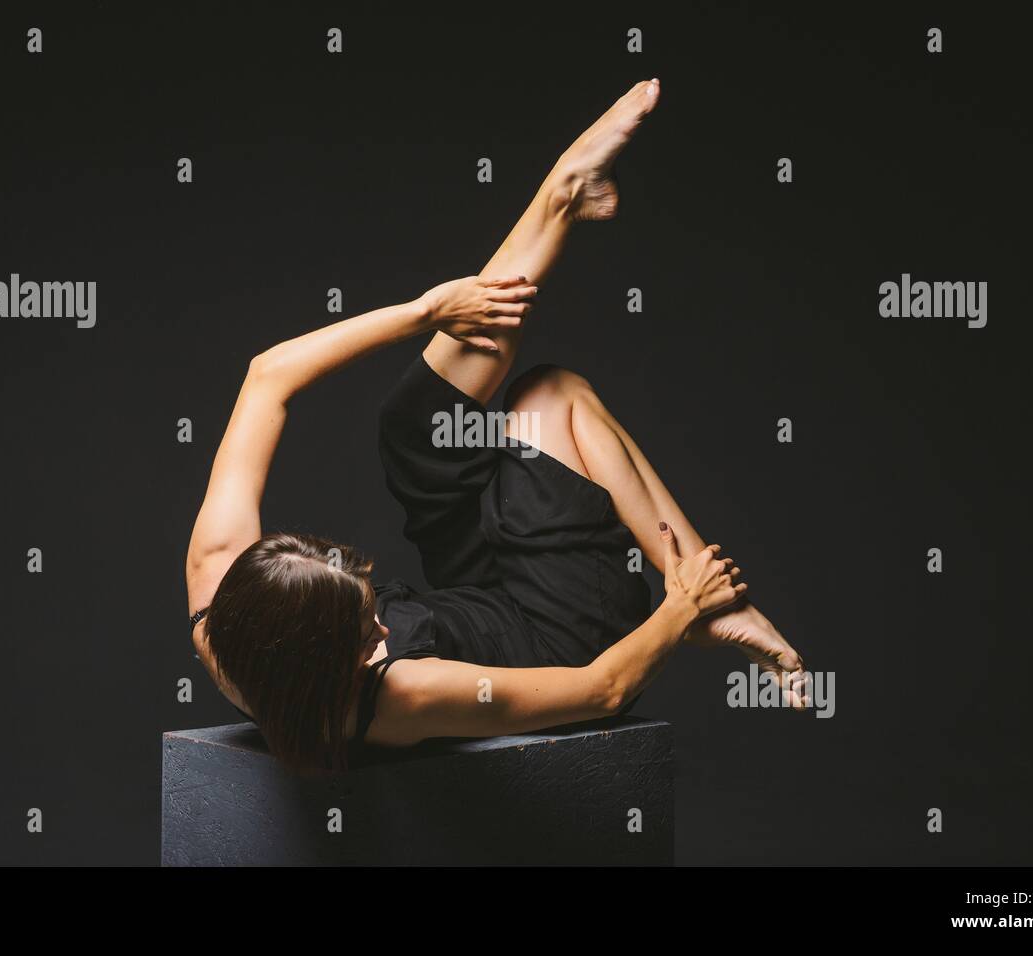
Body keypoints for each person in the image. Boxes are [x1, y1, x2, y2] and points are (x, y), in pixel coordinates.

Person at [185, 79, 808, 773]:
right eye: (369, 635)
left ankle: (564, 193)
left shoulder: (220, 594)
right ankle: (717, 610)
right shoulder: (398, 698)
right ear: (328, 668)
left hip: (468, 590)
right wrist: (679, 610)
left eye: (371, 610)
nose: (384, 626)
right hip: (560, 631)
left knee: (416, 430)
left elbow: (267, 376)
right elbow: (605, 690)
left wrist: (426, 312)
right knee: (553, 394)